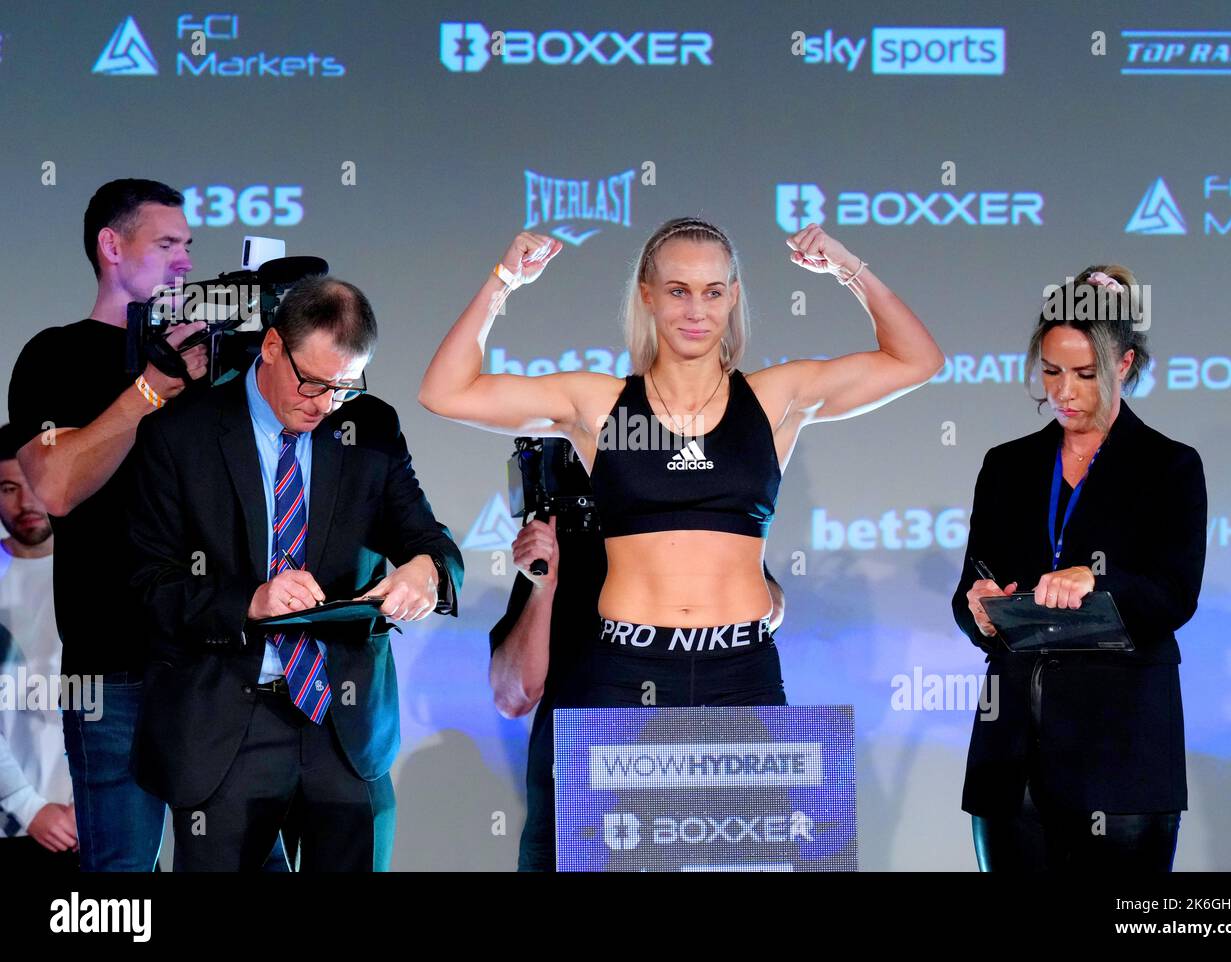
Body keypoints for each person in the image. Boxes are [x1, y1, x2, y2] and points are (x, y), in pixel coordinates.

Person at [422, 217, 942, 717]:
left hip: (743, 671)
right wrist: (503, 281)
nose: (697, 310)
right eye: (678, 291)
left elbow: (917, 359)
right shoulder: (597, 405)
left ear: (733, 296)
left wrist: (847, 267)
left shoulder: (774, 400)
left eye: (713, 291)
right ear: (647, 295)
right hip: (627, 670)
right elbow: (446, 391)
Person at [126, 275, 464, 871]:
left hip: (344, 725)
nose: (324, 403)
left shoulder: (371, 428)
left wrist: (426, 570)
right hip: (226, 725)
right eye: (312, 382)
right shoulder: (180, 435)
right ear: (273, 346)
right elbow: (150, 586)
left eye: (343, 386)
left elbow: (429, 540)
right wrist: (251, 600)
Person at [952, 265, 1206, 872]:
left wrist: (1099, 581)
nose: (1065, 391)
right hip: (1012, 758)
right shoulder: (1006, 466)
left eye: (1086, 374)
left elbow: (1175, 596)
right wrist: (979, 609)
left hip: (1121, 758)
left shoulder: (1170, 466)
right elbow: (971, 588)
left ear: (1124, 365)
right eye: (1052, 371)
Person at [6, 179, 208, 870]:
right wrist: (150, 390)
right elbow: (57, 487)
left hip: (219, 659)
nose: (184, 261)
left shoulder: (216, 367)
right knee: (121, 884)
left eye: (190, 246)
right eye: (167, 244)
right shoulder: (53, 355)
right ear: (111, 247)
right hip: (113, 669)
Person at [490, 470, 786, 872]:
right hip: (582, 803)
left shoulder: (694, 528)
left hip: (694, 796)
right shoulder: (559, 549)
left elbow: (769, 612)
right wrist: (544, 586)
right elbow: (514, 696)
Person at [0, 424, 78, 870]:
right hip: (13, 825)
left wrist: (103, 803)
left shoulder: (106, 576)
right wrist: (29, 807)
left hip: (104, 815)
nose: (26, 503)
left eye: (32, 485)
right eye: (9, 488)